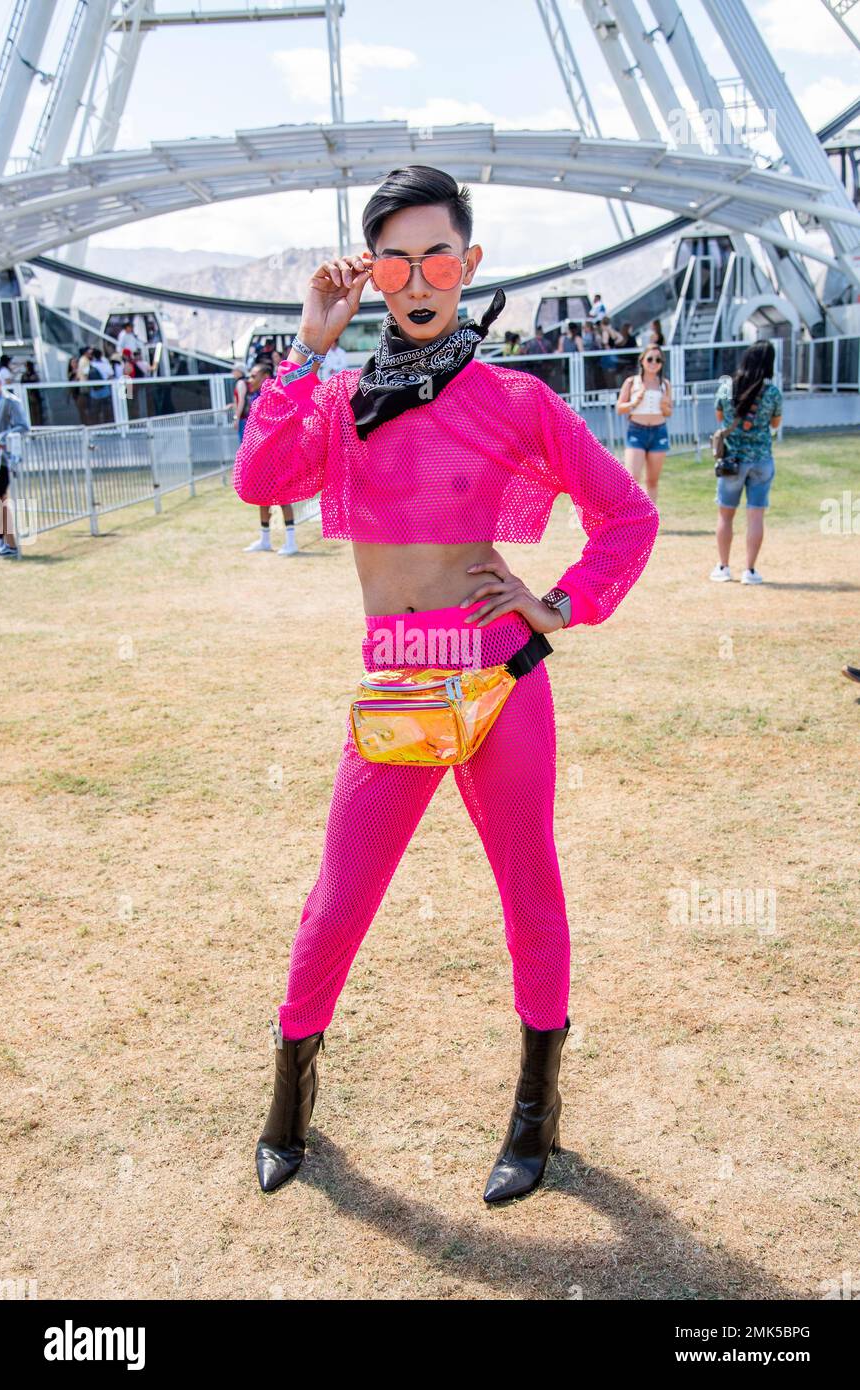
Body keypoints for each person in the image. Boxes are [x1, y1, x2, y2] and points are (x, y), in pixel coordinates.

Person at [232, 164, 659, 1202]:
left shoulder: (515, 399)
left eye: (436, 255)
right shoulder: (335, 400)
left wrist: (558, 603)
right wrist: (308, 343)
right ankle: (289, 1101)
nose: (417, 276)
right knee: (338, 900)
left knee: (529, 893)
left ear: (468, 264)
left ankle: (534, 1115)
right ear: (370, 271)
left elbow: (628, 518)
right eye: (395, 257)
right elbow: (257, 480)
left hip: (500, 682)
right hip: (398, 686)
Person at [710, 342, 782, 584]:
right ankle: (750, 570)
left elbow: (719, 417)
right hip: (761, 459)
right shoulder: (772, 393)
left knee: (725, 515)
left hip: (732, 461)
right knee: (755, 516)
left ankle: (723, 566)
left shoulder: (727, 387)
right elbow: (775, 424)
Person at [240, 361, 299, 555]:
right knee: (261, 495)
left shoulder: (275, 394)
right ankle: (265, 539)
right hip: (261, 457)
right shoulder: (254, 396)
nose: (250, 379)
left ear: (265, 377)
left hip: (277, 455)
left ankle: (291, 542)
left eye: (254, 375)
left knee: (283, 496)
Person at [615, 346, 673, 504]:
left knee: (652, 480)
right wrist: (634, 402)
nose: (654, 363)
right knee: (632, 478)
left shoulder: (665, 384)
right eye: (650, 359)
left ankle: (650, 519)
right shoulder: (631, 382)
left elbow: (668, 412)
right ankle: (631, 516)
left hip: (658, 431)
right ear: (642, 360)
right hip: (636, 430)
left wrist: (664, 406)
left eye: (658, 360)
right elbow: (619, 408)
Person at [0, 374, 31, 558]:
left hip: (4, 459)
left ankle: (9, 542)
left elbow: (23, 426)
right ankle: (0, 538)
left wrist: (1, 439)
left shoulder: (10, 401)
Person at [231, 365, 249, 444]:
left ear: (239, 371)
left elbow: (241, 401)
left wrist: (236, 418)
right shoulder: (243, 382)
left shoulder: (241, 382)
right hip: (243, 417)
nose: (232, 372)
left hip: (243, 418)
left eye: (234, 370)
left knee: (244, 444)